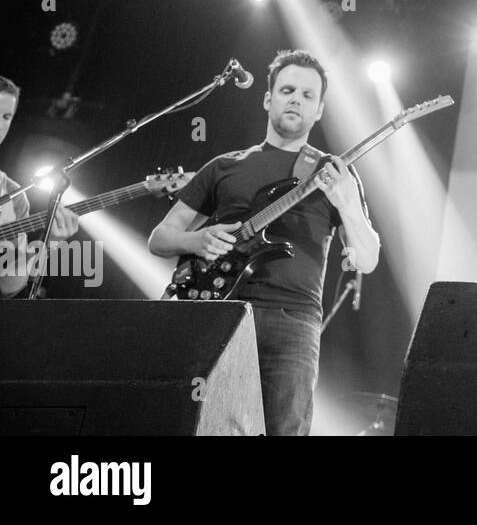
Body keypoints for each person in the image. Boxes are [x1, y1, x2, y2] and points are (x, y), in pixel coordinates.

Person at [148, 50, 380, 435]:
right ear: (268, 98)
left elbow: (368, 259)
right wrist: (198, 239)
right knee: (199, 426)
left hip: (293, 319)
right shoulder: (224, 165)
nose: (296, 99)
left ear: (320, 110)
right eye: (288, 90)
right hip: (216, 311)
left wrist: (347, 202)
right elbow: (160, 238)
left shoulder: (333, 172)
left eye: (308, 95)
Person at [0, 76, 79, 298]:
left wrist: (49, 243)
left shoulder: (14, 195)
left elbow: (6, 288)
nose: (0, 124)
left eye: (6, 116)